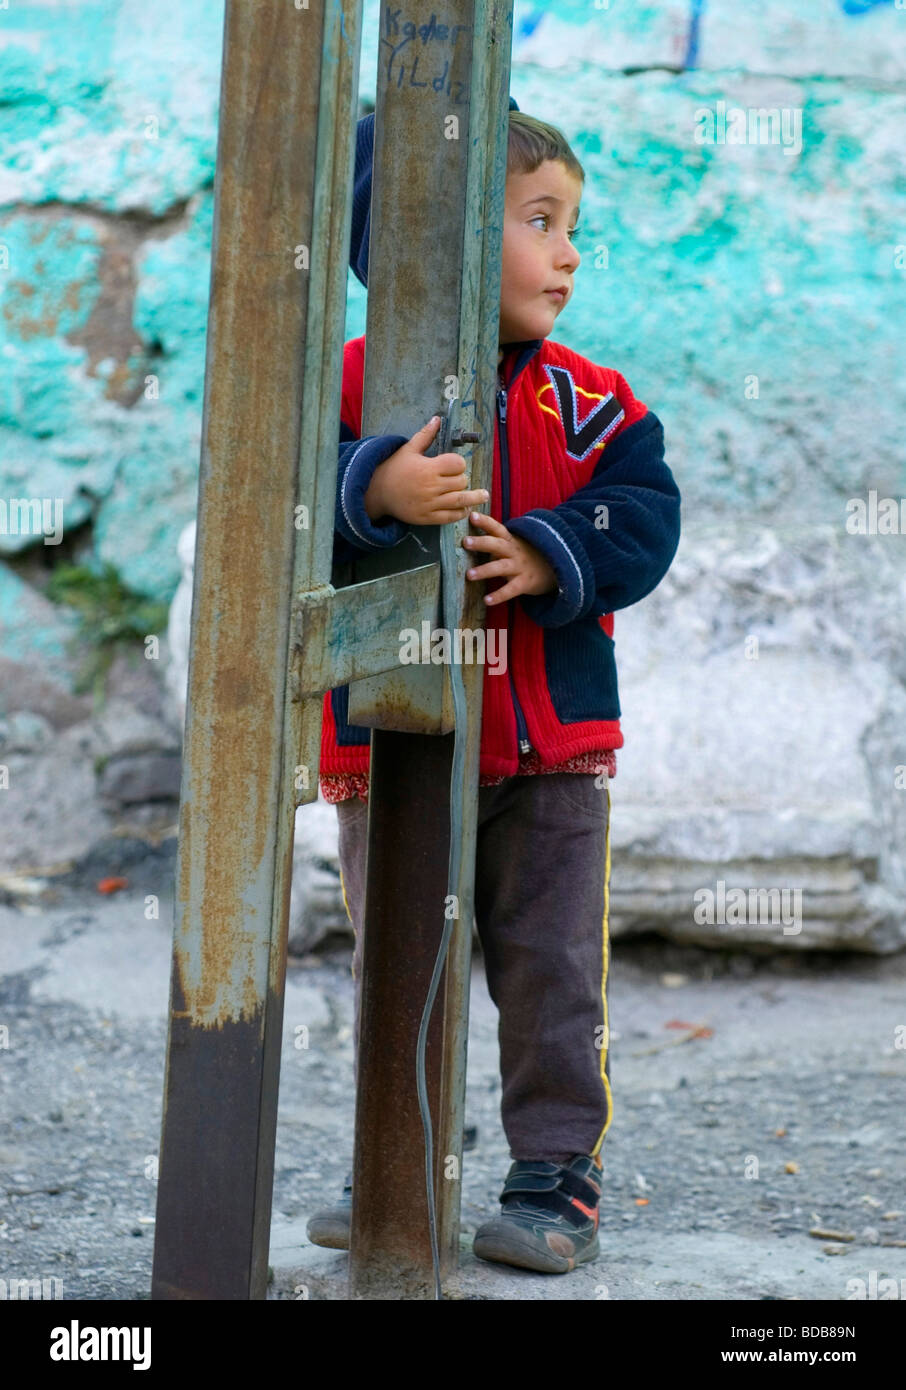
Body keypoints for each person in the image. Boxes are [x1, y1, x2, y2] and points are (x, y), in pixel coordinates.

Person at [306, 99, 681, 1275]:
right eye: (538, 219)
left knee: (554, 965)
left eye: (572, 223)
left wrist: (553, 548)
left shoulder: (592, 400)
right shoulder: (352, 390)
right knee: (399, 970)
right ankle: (397, 1156)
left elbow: (646, 513)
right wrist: (376, 489)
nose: (568, 250)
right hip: (393, 751)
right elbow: (289, 504)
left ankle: (554, 1174)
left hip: (552, 756)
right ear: (436, 238)